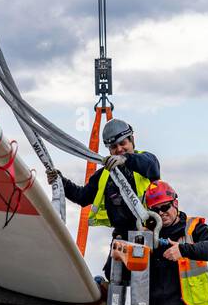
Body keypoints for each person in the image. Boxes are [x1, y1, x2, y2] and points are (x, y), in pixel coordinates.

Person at [45, 118, 160, 278]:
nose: (119, 149)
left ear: (132, 140)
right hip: (122, 236)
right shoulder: (104, 176)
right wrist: (60, 181)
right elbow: (82, 196)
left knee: (148, 279)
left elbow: (151, 166)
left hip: (149, 232)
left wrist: (125, 160)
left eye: (123, 143)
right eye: (114, 147)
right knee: (111, 274)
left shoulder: (146, 161)